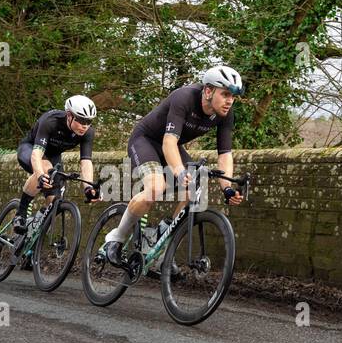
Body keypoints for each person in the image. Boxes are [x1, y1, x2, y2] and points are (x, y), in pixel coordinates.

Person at [103, 65, 246, 266]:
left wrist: (228, 188)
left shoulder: (225, 115)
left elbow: (224, 154)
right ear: (208, 91)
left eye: (233, 96)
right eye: (225, 94)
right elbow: (169, 141)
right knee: (156, 187)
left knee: (196, 186)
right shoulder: (185, 98)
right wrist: (179, 172)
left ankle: (161, 238)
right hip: (146, 140)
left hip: (171, 146)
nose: (230, 101)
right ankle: (115, 238)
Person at [14, 94, 100, 233]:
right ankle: (20, 213)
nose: (84, 126)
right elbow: (37, 154)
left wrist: (89, 187)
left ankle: (35, 226)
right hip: (31, 149)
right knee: (46, 171)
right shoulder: (51, 121)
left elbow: (86, 162)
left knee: (54, 201)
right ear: (69, 115)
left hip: (53, 156)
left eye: (88, 121)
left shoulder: (87, 132)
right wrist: (40, 175)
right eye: (81, 120)